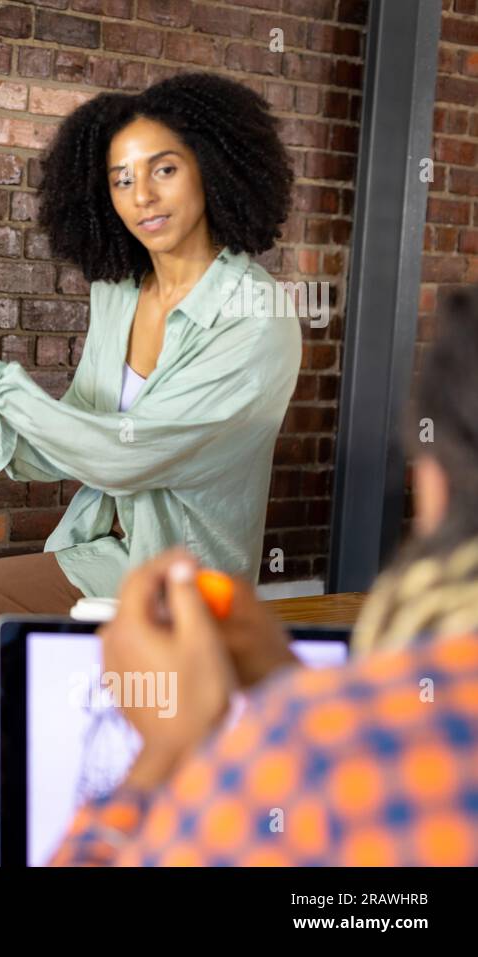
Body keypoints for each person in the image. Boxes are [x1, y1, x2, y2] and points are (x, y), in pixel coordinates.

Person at [52, 286, 478, 866]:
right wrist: (288, 689)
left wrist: (168, 749)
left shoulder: (336, 759)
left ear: (433, 477)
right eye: (123, 184)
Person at [0, 72, 299, 632]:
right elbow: (84, 436)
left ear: (212, 167)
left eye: (164, 169)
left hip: (181, 579)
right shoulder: (119, 292)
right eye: (121, 179)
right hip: (98, 551)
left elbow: (124, 457)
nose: (142, 197)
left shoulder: (256, 317)